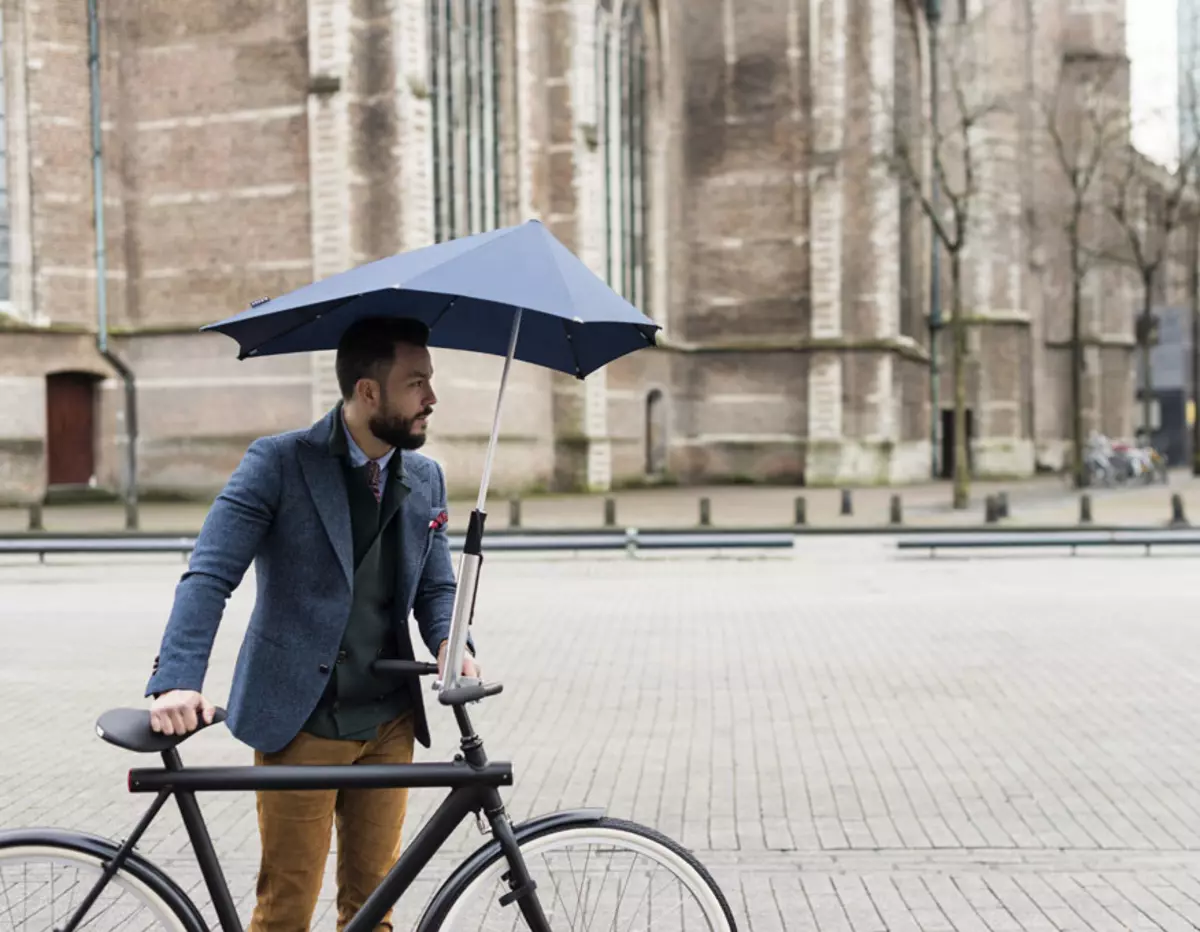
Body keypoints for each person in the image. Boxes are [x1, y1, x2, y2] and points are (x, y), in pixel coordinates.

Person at [143, 315, 479, 931]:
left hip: (389, 722)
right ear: (369, 392)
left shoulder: (425, 476)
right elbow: (209, 575)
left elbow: (435, 585)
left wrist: (450, 641)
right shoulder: (278, 462)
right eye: (417, 383)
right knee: (286, 910)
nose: (432, 398)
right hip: (301, 718)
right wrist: (177, 679)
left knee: (374, 907)